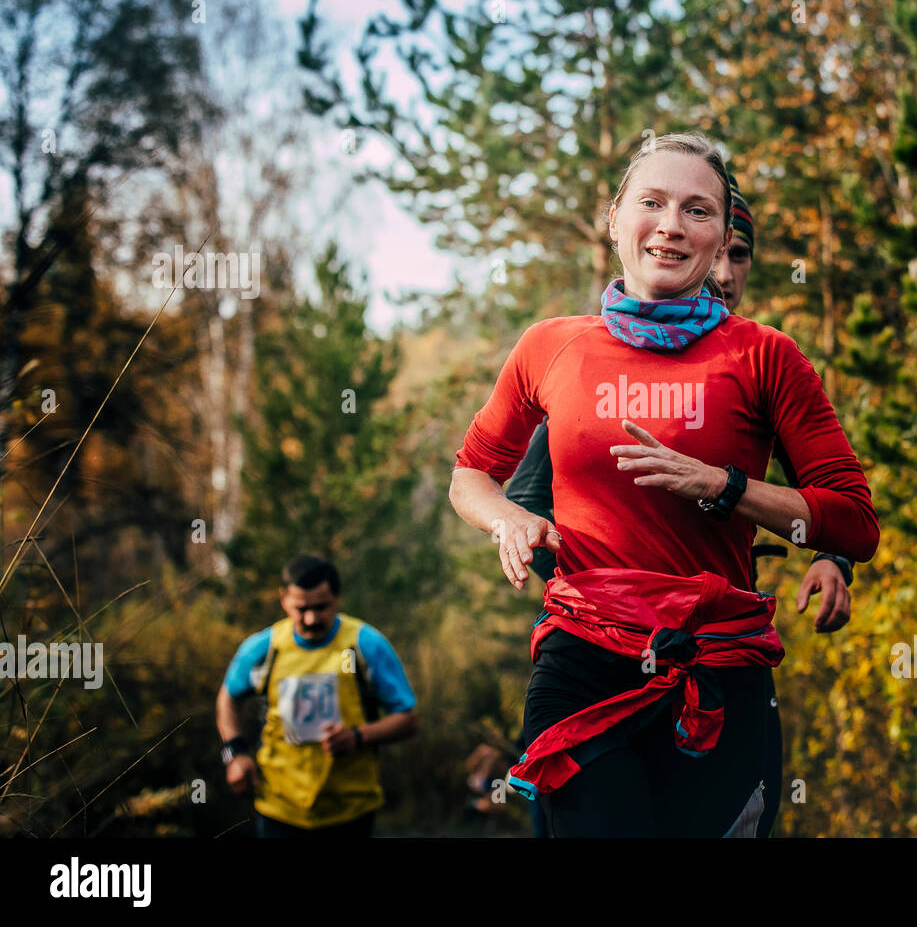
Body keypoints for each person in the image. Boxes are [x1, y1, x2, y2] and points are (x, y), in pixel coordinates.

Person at [449, 131, 878, 837]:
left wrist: (725, 486)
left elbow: (853, 522)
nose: (672, 225)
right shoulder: (549, 346)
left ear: (720, 244)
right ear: (615, 220)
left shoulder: (767, 356)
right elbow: (472, 473)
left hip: (715, 664)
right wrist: (507, 519)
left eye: (698, 211)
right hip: (582, 658)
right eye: (651, 203)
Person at [216, 554, 418, 837]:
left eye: (321, 607)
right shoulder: (263, 648)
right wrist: (235, 754)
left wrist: (357, 736)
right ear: (283, 599)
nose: (310, 619)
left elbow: (408, 719)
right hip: (279, 808)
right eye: (301, 608)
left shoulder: (365, 644)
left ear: (337, 596)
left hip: (351, 809)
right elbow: (228, 697)